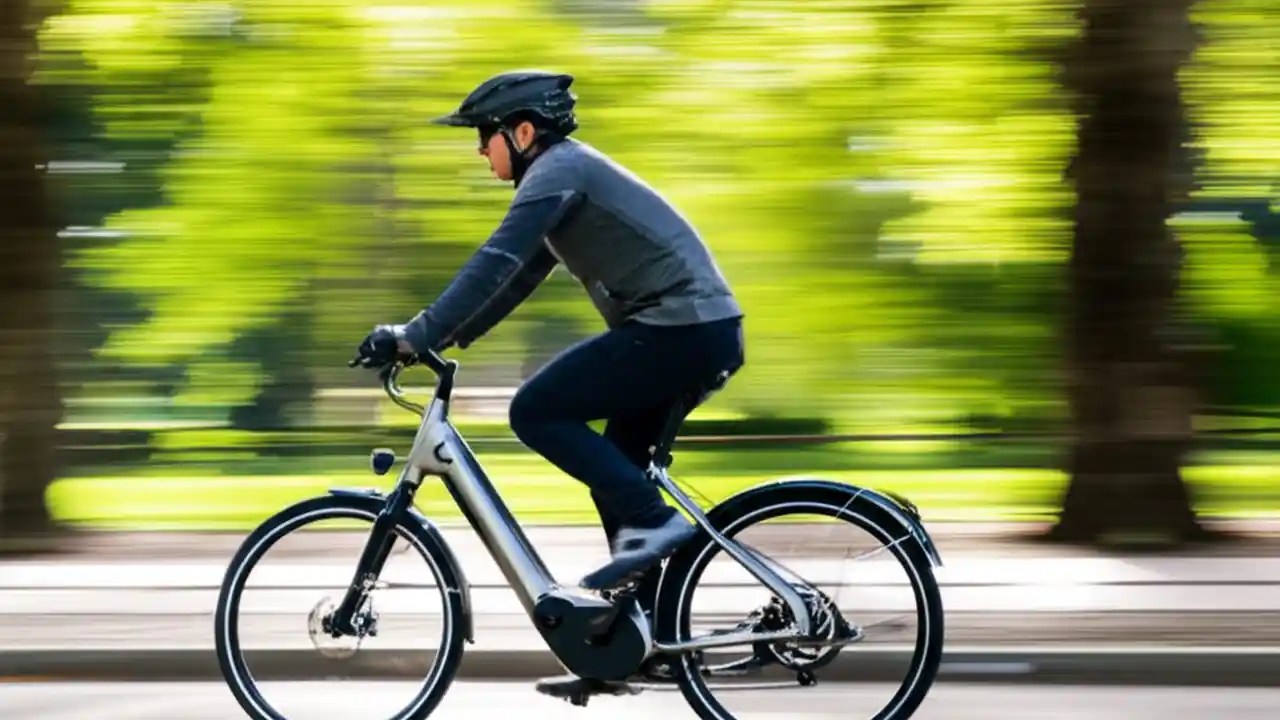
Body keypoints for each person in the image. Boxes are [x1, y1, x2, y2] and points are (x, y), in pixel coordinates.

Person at [355, 70, 744, 592]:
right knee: (615, 479)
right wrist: (440, 339)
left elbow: (494, 261)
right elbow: (516, 280)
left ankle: (654, 524)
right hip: (693, 331)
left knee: (536, 410)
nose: (477, 150)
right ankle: (637, 640)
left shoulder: (558, 172)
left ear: (521, 134)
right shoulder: (562, 176)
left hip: (680, 329)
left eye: (482, 135)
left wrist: (415, 334)